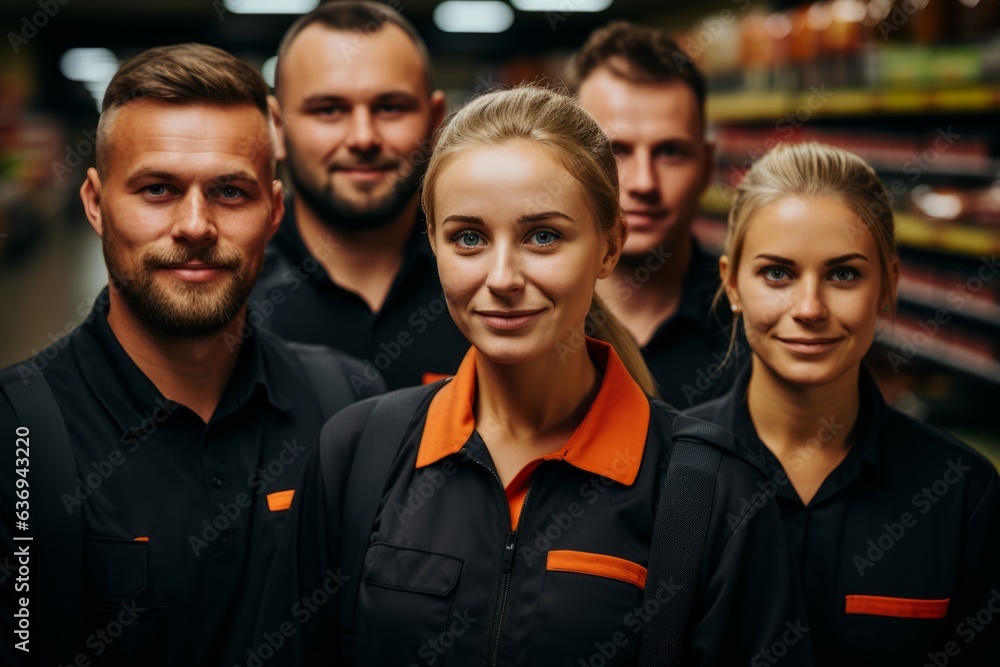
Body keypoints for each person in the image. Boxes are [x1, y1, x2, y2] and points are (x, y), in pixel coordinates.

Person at [255, 86, 812, 666]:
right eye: (469, 238)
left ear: (610, 246)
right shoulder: (356, 454)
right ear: (434, 245)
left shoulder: (714, 493)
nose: (502, 277)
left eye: (543, 236)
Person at [0, 43, 383, 667]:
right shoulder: (15, 433)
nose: (197, 225)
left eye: (231, 191)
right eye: (157, 189)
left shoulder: (351, 407)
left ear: (275, 210)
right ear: (95, 203)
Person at [687, 142, 1000, 667]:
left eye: (843, 275)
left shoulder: (963, 495)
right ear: (732, 284)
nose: (810, 308)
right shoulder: (666, 472)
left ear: (889, 284)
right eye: (777, 273)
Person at [251, 1, 470, 390]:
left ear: (436, 121)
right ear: (278, 127)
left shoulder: (491, 279)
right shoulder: (233, 289)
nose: (363, 138)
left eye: (390, 107)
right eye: (329, 110)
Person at [573, 22, 745, 408]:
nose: (644, 183)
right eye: (615, 151)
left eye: (670, 152)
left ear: (706, 166)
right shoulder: (520, 318)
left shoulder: (758, 328)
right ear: (570, 162)